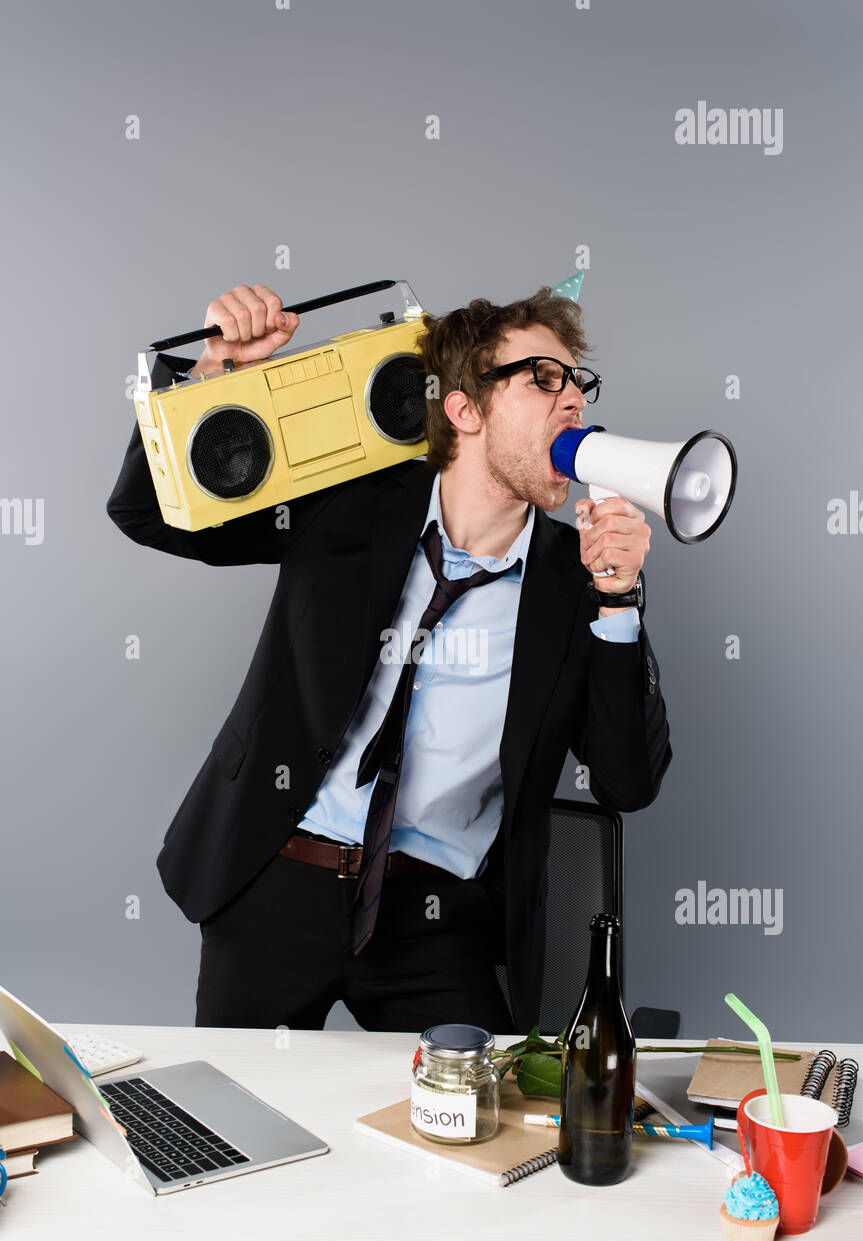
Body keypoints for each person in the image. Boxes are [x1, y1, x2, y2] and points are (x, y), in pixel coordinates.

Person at [107, 281, 672, 1034]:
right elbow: (146, 512)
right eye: (541, 378)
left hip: (437, 916)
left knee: (474, 1133)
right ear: (463, 410)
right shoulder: (350, 500)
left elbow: (626, 781)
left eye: (577, 382)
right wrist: (211, 378)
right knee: (241, 1128)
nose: (571, 400)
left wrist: (619, 603)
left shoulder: (578, 580)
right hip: (277, 879)